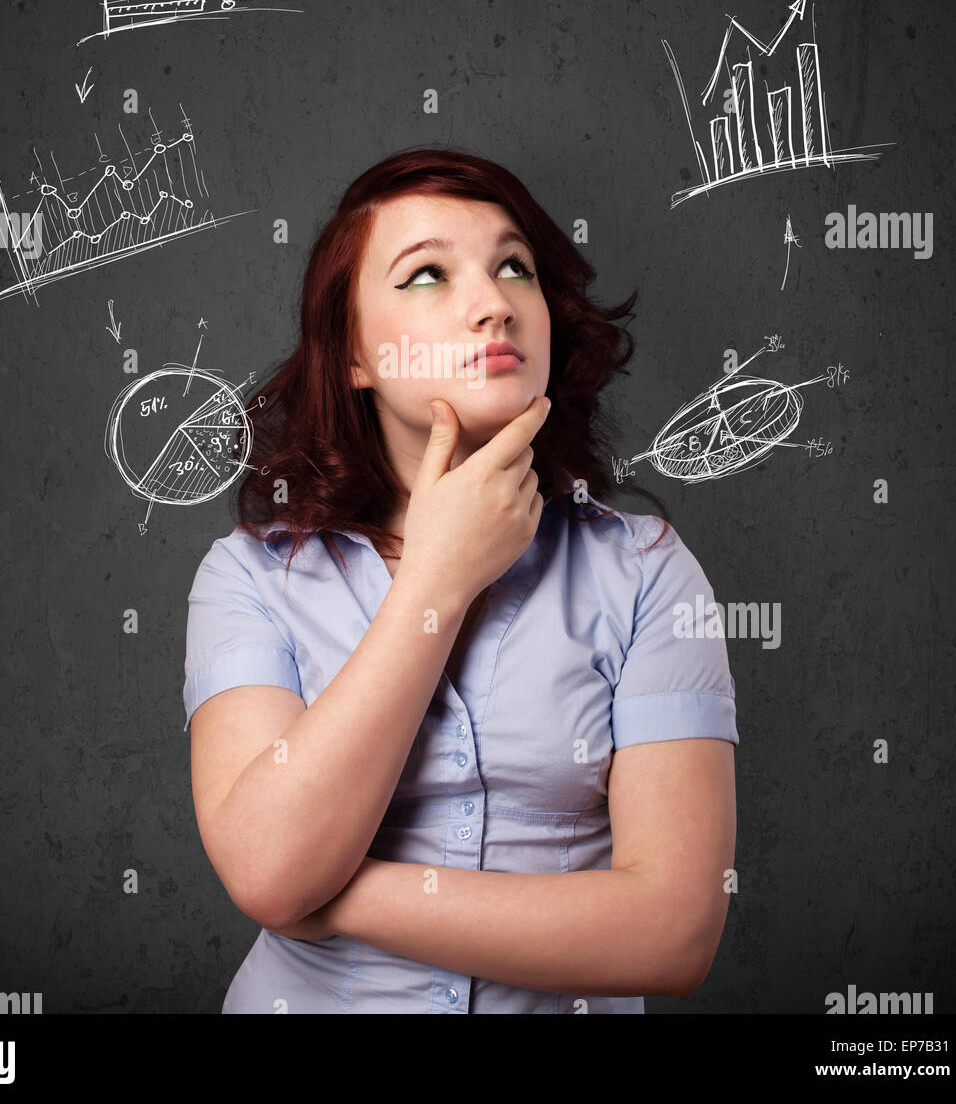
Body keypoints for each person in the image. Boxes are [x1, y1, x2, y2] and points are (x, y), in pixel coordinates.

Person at [183, 146, 738, 1014]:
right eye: (426, 275)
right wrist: (438, 577)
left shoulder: (647, 571)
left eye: (514, 267)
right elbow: (265, 863)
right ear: (354, 354)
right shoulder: (250, 577)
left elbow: (673, 934)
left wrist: (323, 897)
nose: (494, 305)